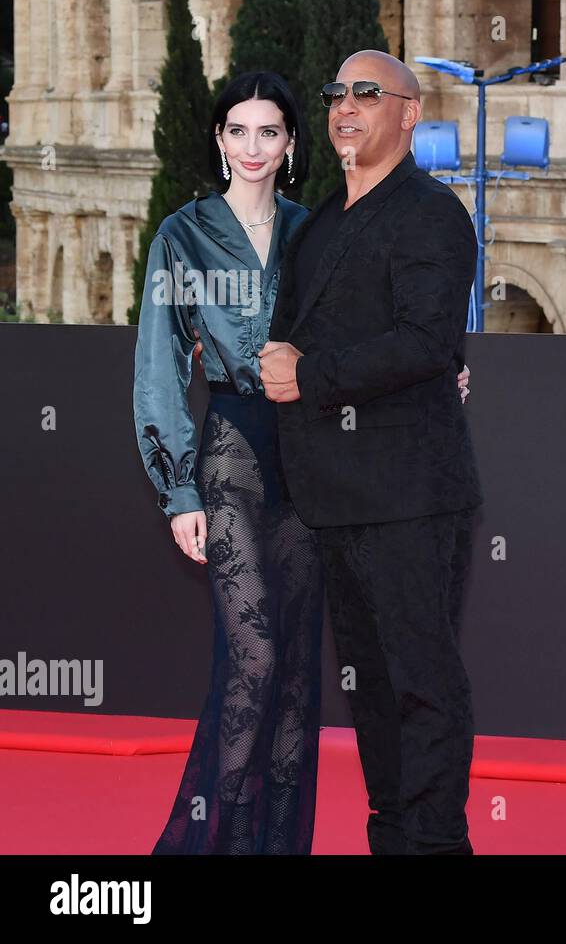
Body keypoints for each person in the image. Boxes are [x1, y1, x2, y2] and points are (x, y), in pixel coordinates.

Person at [132, 70, 473, 854]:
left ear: (290, 144)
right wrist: (176, 488)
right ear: (218, 140)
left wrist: (439, 362)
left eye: (270, 132)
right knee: (251, 660)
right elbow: (158, 372)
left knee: (296, 676)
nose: (254, 146)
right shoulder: (181, 237)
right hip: (233, 453)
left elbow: (384, 330)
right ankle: (212, 843)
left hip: (318, 461)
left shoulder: (313, 227)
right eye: (238, 131)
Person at [259, 49, 482, 855]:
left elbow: (428, 340)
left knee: (422, 685)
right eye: (337, 94)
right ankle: (393, 835)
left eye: (368, 93)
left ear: (409, 113)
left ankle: (432, 846)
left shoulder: (429, 213)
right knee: (373, 690)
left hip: (409, 495)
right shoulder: (323, 220)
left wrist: (310, 374)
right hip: (332, 498)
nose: (346, 107)